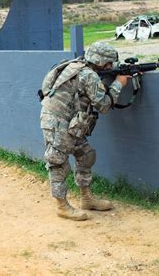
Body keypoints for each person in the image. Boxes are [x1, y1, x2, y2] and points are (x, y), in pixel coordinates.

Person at [39, 42, 130, 221]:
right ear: (101, 61)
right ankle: (62, 206)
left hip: (71, 122)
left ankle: (86, 198)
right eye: (109, 63)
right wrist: (119, 84)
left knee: (85, 155)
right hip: (58, 122)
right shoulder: (88, 74)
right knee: (57, 162)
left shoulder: (76, 65)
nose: (111, 67)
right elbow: (103, 105)